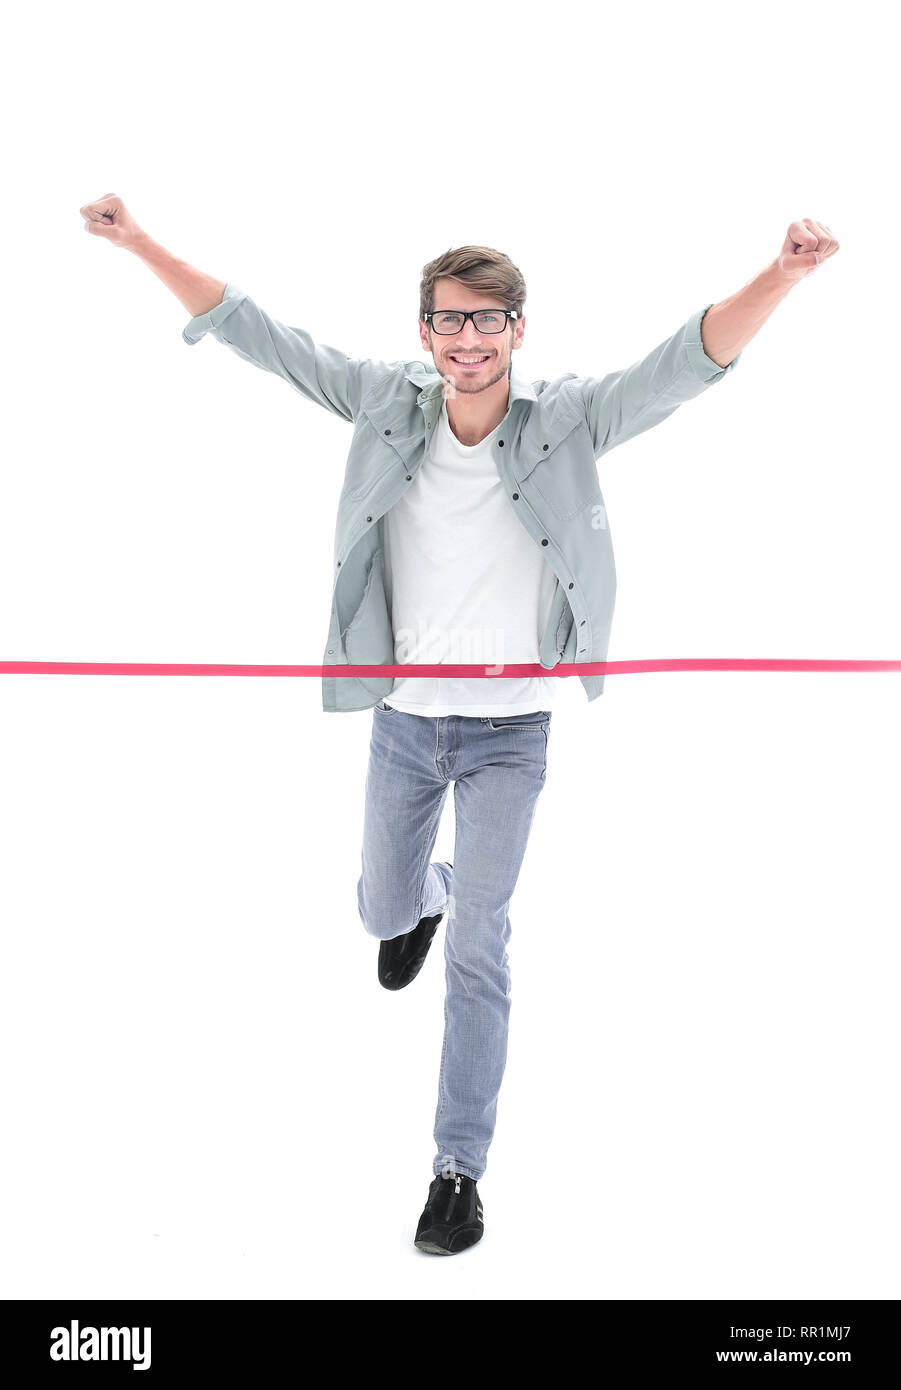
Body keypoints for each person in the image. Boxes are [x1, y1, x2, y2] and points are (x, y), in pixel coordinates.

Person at [80, 195, 838, 1255]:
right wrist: (136, 242)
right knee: (382, 908)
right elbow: (260, 334)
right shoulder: (383, 403)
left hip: (508, 737)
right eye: (449, 320)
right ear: (424, 331)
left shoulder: (564, 419)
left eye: (489, 321)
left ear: (518, 330)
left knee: (482, 947)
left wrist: (784, 276)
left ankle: (455, 1169)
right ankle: (419, 896)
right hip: (403, 722)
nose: (469, 339)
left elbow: (680, 364)